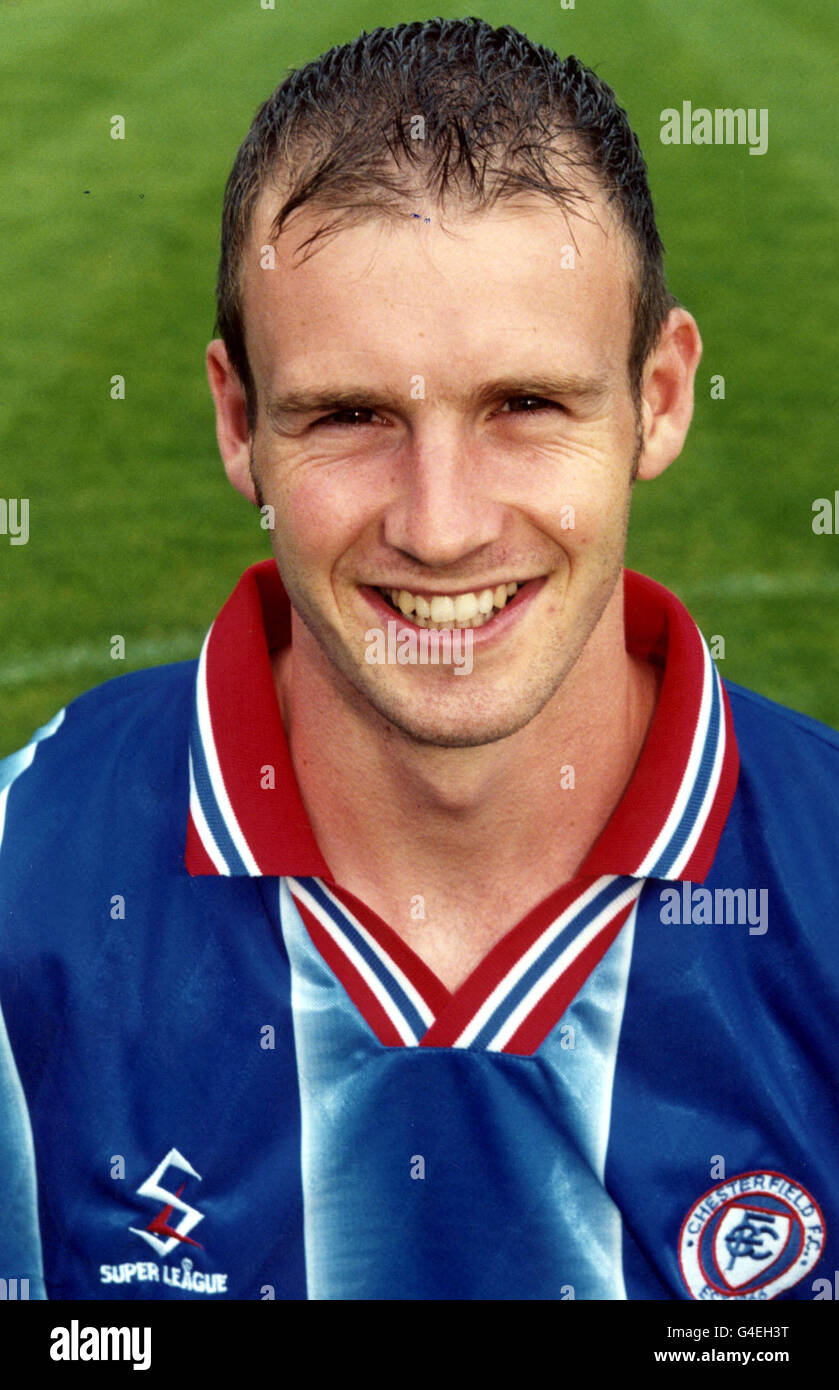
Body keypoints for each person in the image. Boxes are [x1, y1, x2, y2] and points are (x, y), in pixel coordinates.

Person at [1, 17, 836, 1302]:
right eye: (349, 415)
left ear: (658, 398)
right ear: (237, 424)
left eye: (524, 406)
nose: (438, 526)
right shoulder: (25, 885)